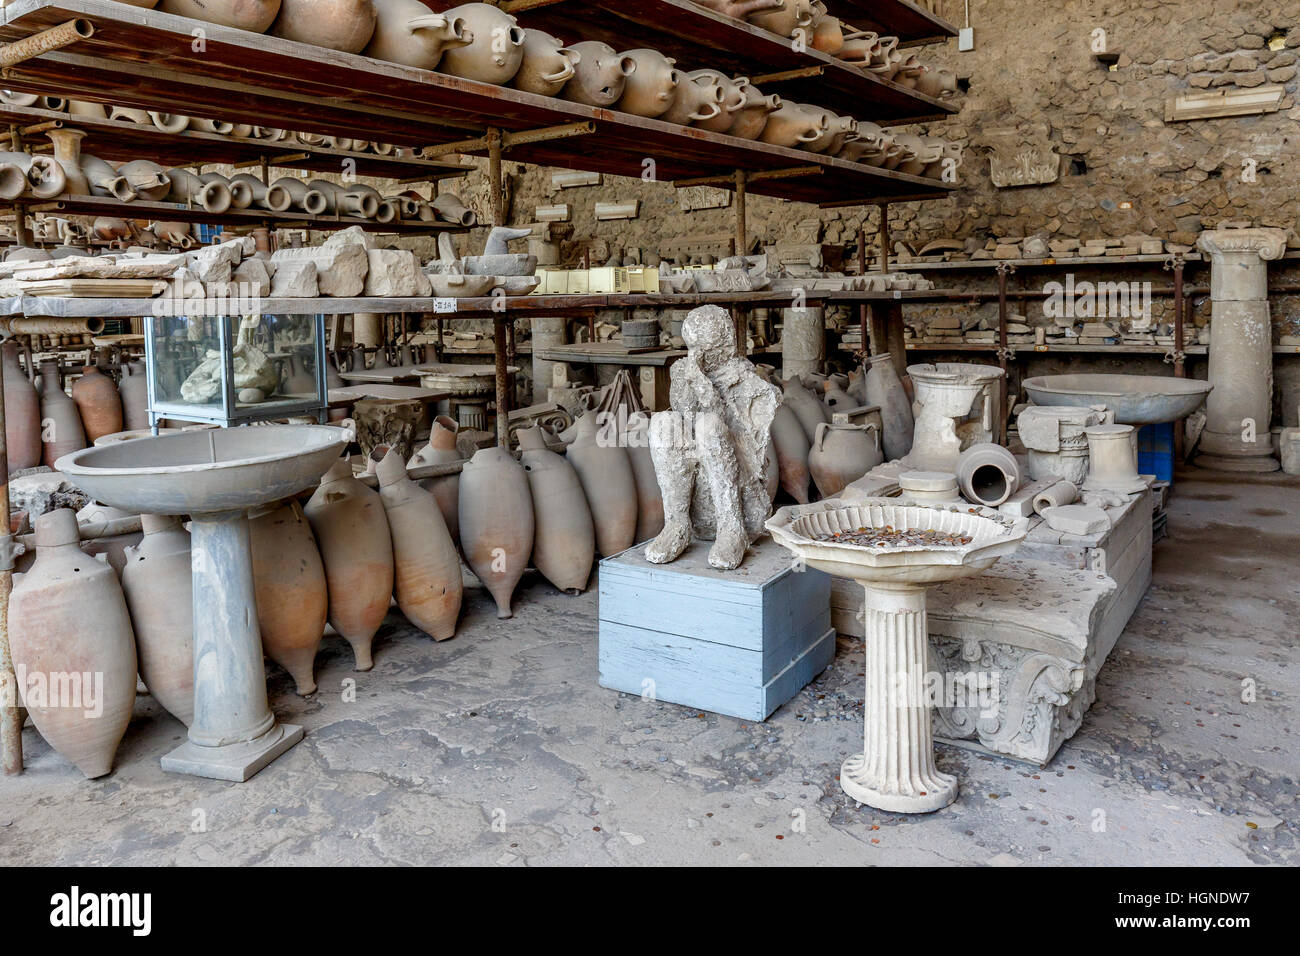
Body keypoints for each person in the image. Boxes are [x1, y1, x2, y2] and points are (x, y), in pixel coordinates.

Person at [645, 305, 779, 570]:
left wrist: (703, 384)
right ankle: (677, 523)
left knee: (709, 426)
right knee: (663, 422)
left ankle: (731, 528)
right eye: (692, 349)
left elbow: (724, 424)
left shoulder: (744, 377)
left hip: (735, 466)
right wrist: (689, 380)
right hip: (699, 464)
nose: (698, 356)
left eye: (705, 351)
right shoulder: (684, 371)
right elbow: (685, 415)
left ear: (725, 345)